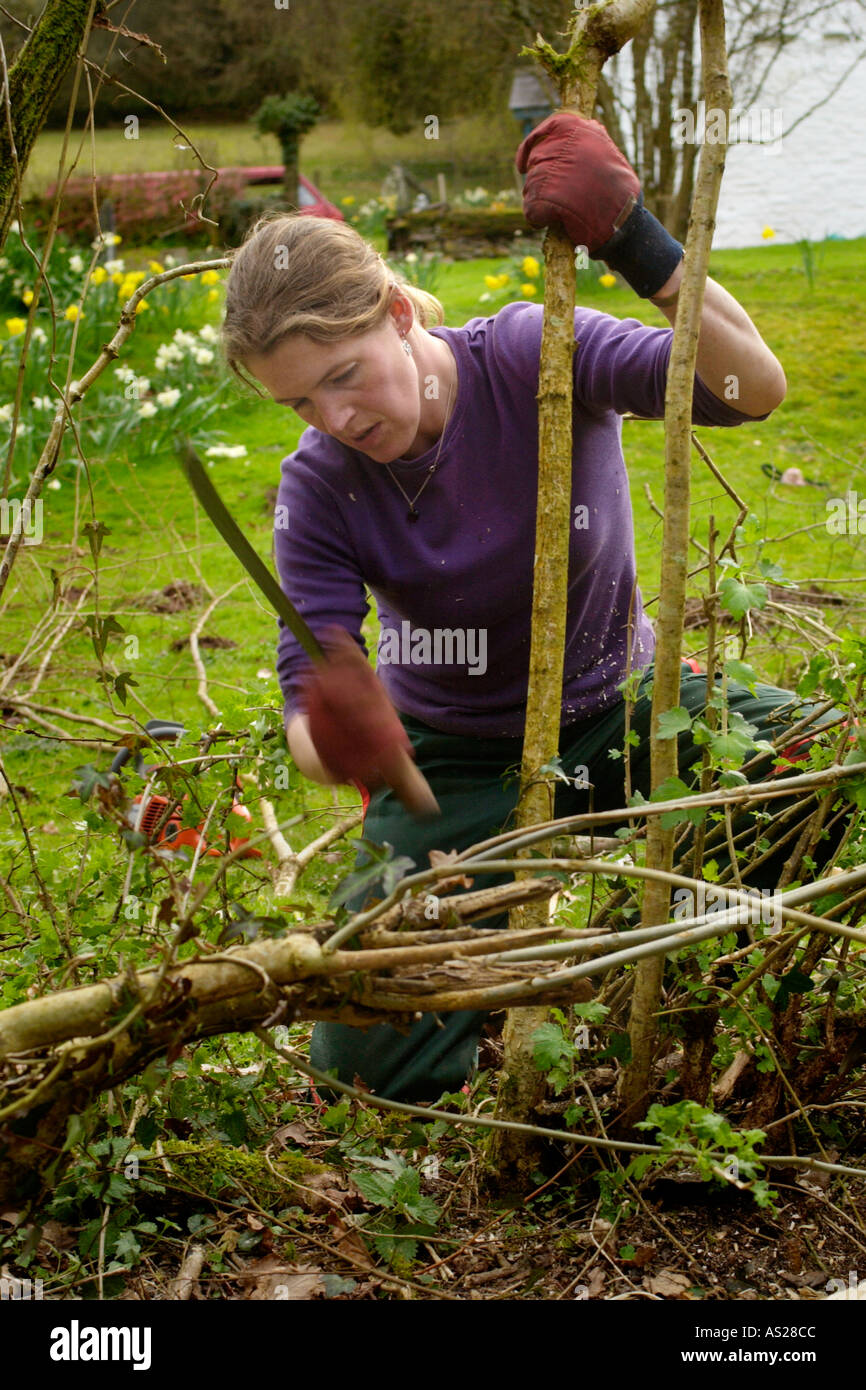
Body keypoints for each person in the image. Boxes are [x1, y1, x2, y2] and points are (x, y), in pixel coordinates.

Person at [220, 113, 843, 1103]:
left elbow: (746, 388)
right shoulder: (320, 483)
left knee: (817, 766)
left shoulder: (532, 354)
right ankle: (511, 1014)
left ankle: (684, 977)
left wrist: (633, 235)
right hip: (457, 757)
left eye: (342, 376)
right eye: (299, 402)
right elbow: (309, 690)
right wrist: (329, 736)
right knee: (367, 1064)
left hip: (625, 702)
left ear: (394, 312)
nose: (336, 417)